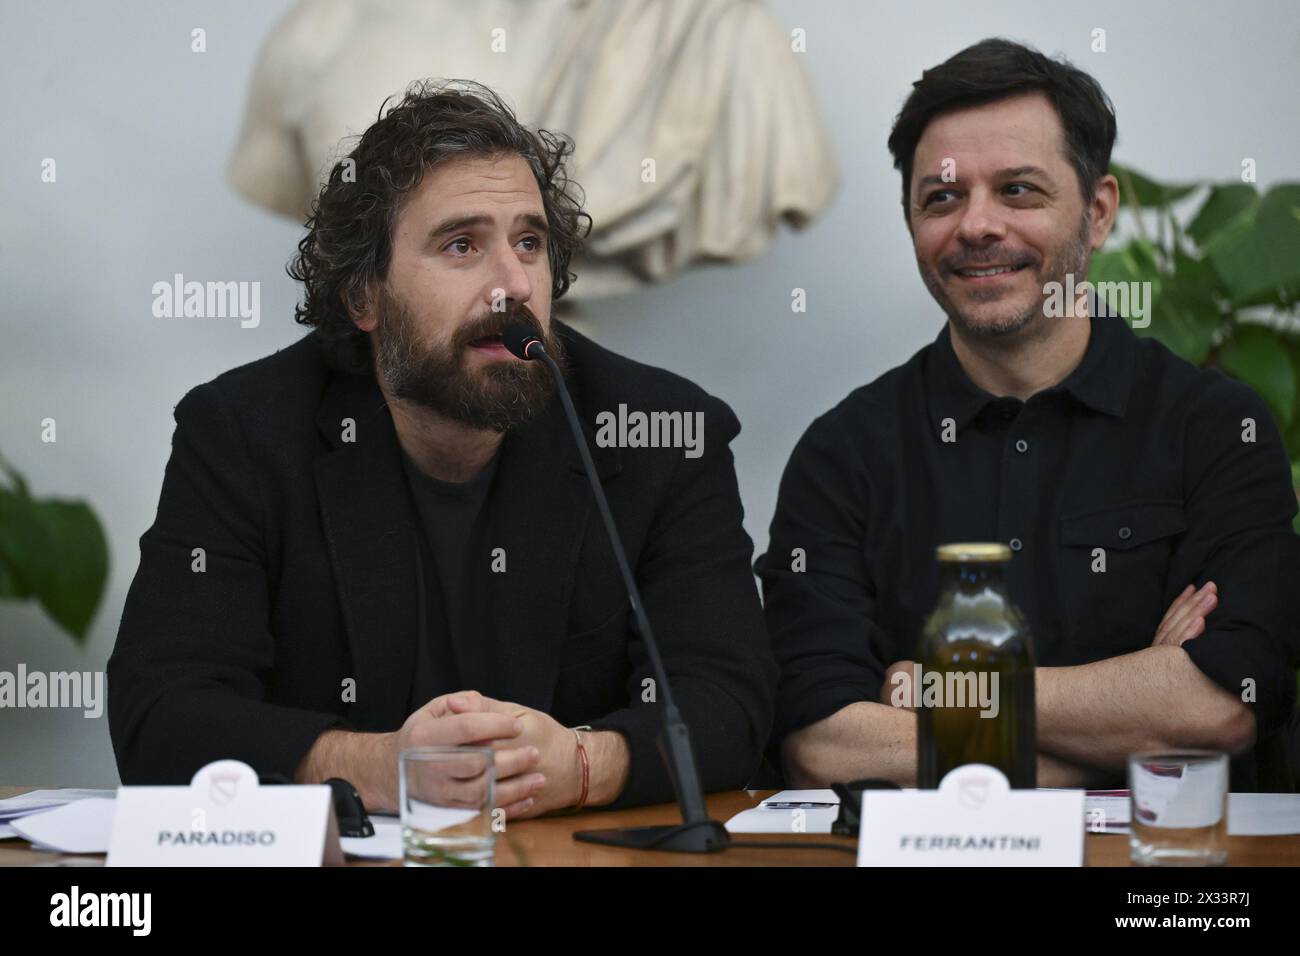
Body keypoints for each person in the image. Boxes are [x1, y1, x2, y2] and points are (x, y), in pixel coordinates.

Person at [109, 79, 776, 816]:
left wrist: (583, 764)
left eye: (530, 242)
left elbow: (732, 702)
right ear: (363, 296)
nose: (512, 285)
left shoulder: (663, 434)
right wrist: (381, 766)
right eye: (462, 245)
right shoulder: (240, 435)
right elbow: (161, 715)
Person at [759, 39, 1298, 791]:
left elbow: (1223, 704)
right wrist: (1119, 723)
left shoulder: (1217, 428)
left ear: (1098, 212)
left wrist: (944, 692)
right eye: (942, 197)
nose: (976, 225)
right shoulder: (842, 454)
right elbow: (822, 741)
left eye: (1018, 190)